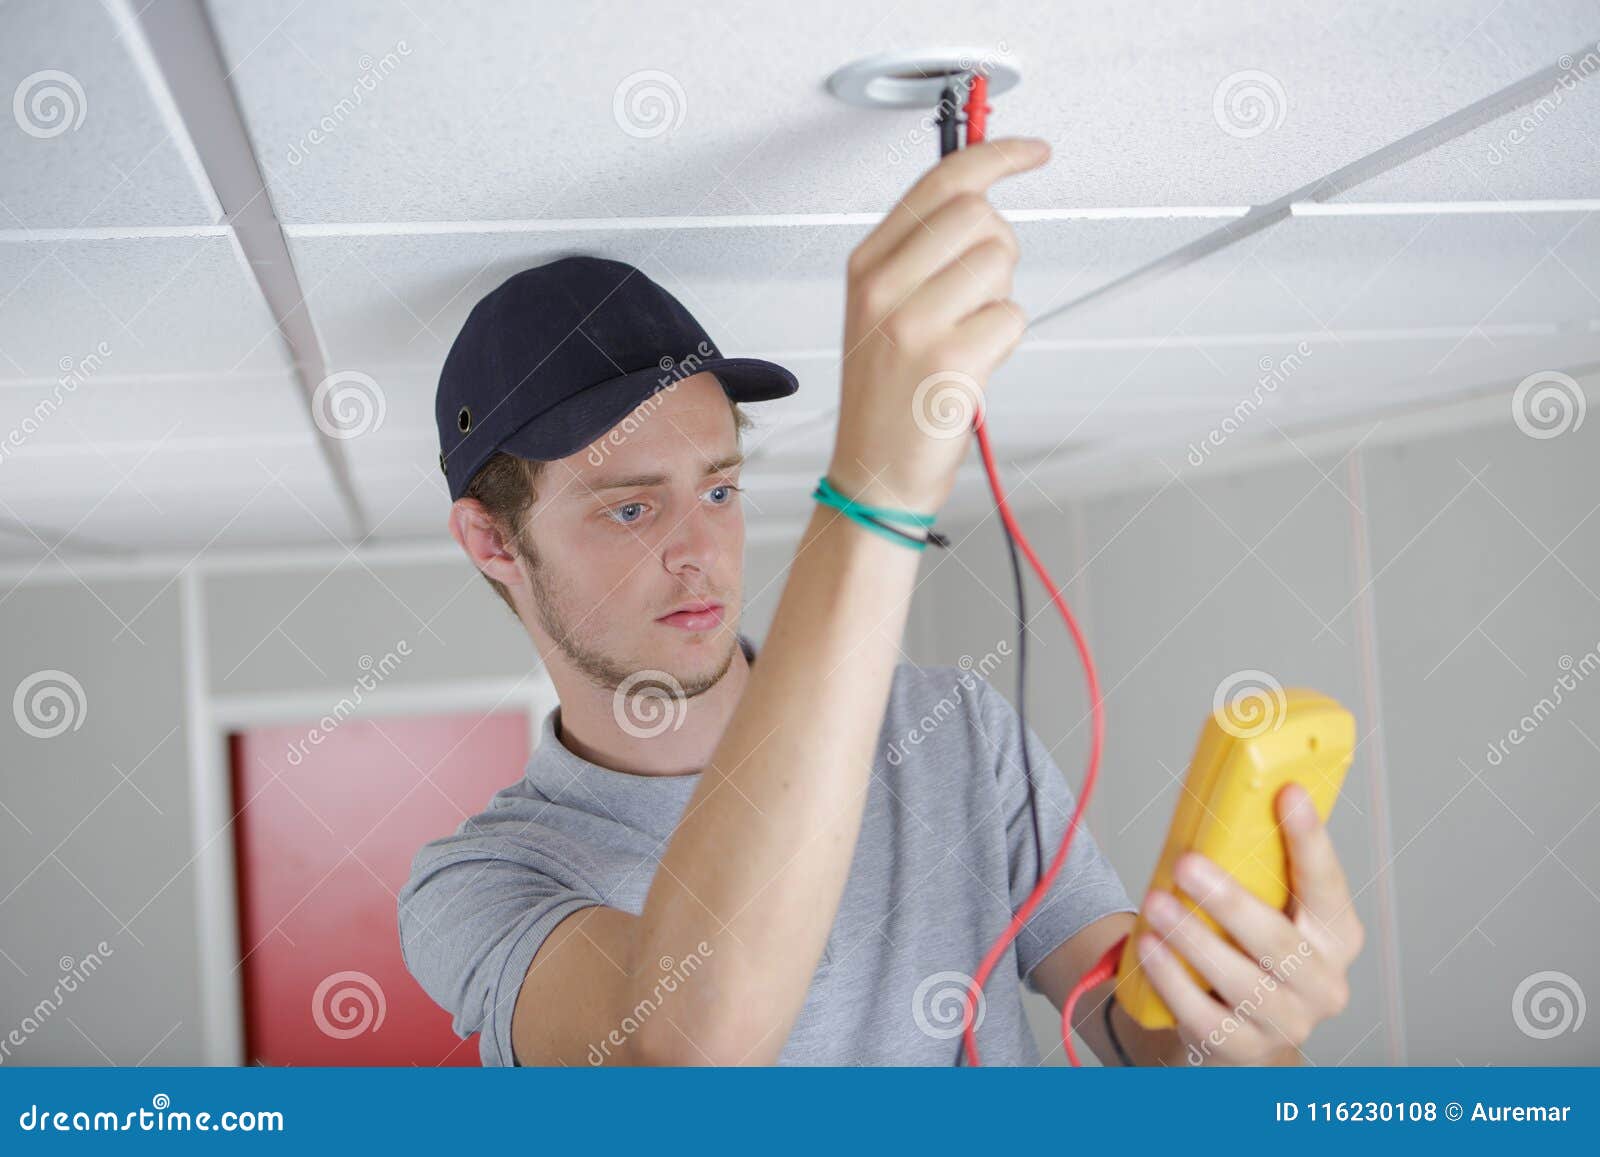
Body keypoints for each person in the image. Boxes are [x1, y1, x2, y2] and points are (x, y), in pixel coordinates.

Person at [397, 137, 1364, 1066]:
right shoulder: (483, 881)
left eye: (721, 489)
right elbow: (687, 1047)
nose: (699, 551)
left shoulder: (956, 734)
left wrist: (1232, 1027)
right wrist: (873, 482)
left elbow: (1125, 1027)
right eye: (633, 507)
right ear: (493, 542)